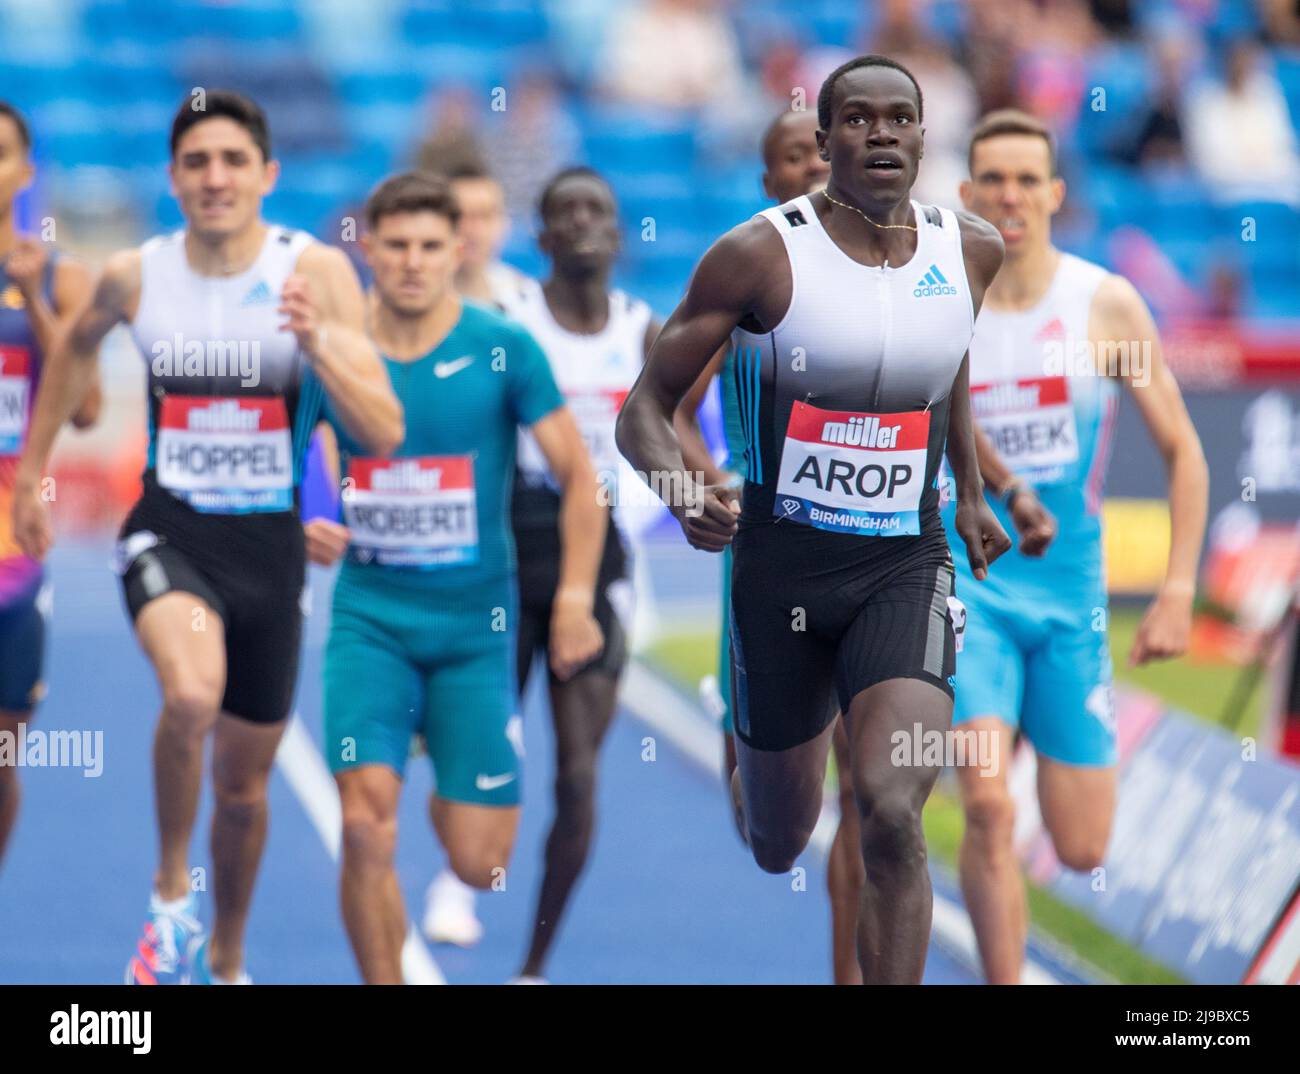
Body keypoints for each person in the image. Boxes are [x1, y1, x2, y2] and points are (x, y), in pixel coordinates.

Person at [617, 55, 1011, 984]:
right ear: (824, 138)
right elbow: (644, 407)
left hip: (905, 565)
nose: (882, 134)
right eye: (859, 120)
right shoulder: (759, 254)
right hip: (780, 571)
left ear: (924, 133)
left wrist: (975, 489)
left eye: (900, 118)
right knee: (777, 840)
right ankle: (755, 740)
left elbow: (943, 366)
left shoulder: (972, 249)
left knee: (889, 805)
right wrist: (681, 489)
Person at [12, 91, 403, 985]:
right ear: (174, 178)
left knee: (245, 790)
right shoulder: (136, 274)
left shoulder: (314, 273)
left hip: (270, 551)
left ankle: (223, 948)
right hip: (168, 529)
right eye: (195, 162)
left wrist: (323, 386)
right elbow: (74, 347)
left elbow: (378, 425)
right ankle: (168, 893)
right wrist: (37, 468)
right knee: (191, 695)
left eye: (232, 160)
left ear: (266, 175)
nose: (214, 177)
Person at [303, 172, 605, 985]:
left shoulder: (501, 347)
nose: (410, 262)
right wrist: (311, 509)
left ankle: (440, 759)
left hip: (478, 633)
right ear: (366, 249)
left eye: (428, 246)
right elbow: (299, 458)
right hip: (371, 620)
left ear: (457, 250)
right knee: (366, 828)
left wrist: (575, 597)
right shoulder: (333, 348)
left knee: (478, 864)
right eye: (394, 245)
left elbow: (581, 479)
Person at [948, 108, 1208, 983]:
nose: (1010, 196)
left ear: (1056, 193)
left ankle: (1030, 734)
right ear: (965, 193)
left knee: (1084, 845)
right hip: (967, 592)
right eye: (993, 179)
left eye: (1027, 179)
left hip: (1067, 601)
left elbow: (1184, 452)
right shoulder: (941, 302)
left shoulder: (1102, 303)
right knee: (985, 805)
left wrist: (1176, 590)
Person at [0, 100, 101, 875]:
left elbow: (91, 406)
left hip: (12, 546)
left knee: (2, 753)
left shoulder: (60, 276)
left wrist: (33, 300)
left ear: (26, 171)